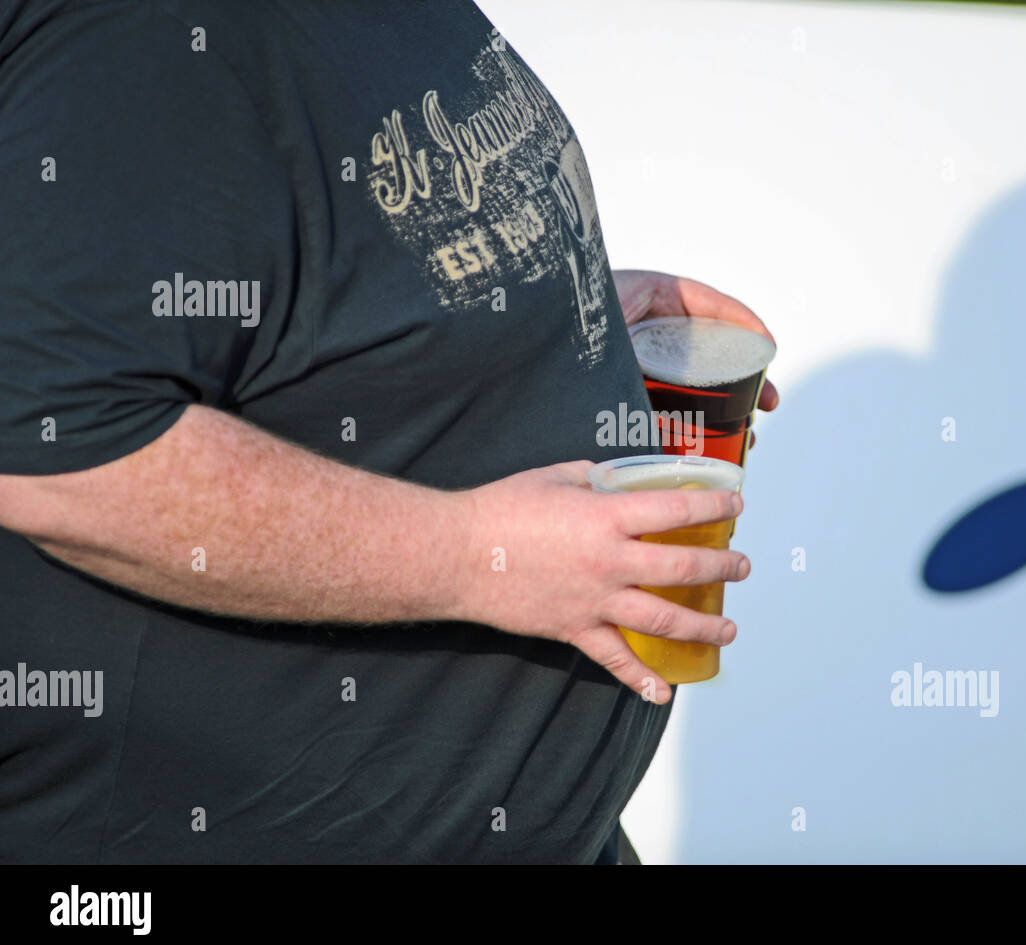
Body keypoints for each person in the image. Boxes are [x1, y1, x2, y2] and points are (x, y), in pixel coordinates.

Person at [0, 0, 778, 864]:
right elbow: (54, 445)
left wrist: (554, 301)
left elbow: (310, 275)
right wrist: (475, 554)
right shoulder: (144, 36)